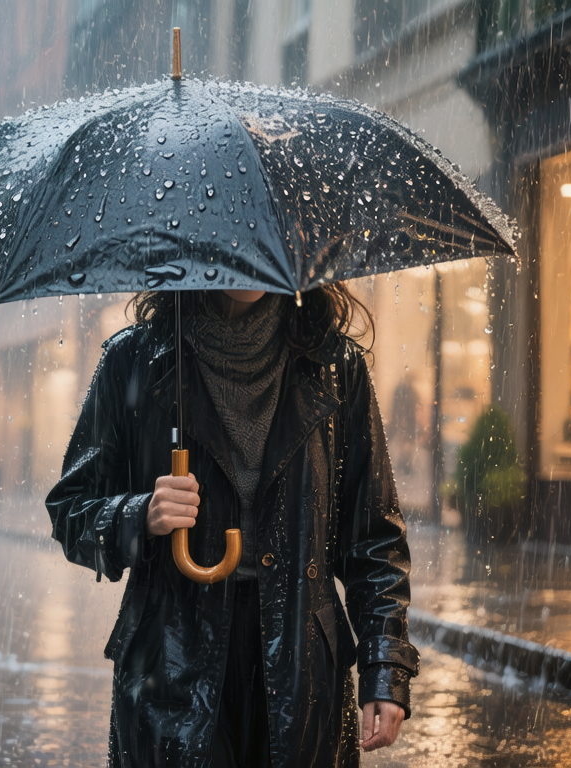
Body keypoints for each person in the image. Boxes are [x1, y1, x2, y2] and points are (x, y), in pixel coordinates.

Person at [46, 286, 419, 767]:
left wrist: (384, 666)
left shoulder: (336, 367)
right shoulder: (135, 359)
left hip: (301, 667)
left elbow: (375, 539)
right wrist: (141, 515)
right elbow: (71, 509)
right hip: (171, 663)